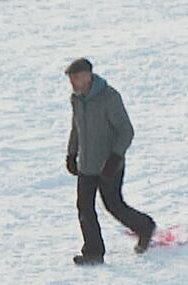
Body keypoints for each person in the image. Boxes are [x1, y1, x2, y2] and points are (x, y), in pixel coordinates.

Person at [64, 58, 156, 266]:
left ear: (88, 75)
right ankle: (93, 252)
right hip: (87, 165)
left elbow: (126, 131)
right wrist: (71, 154)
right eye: (71, 79)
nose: (73, 83)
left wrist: (115, 158)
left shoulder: (109, 97)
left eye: (76, 78)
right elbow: (76, 128)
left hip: (109, 165)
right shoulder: (77, 99)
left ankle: (145, 226)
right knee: (84, 207)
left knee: (114, 205)